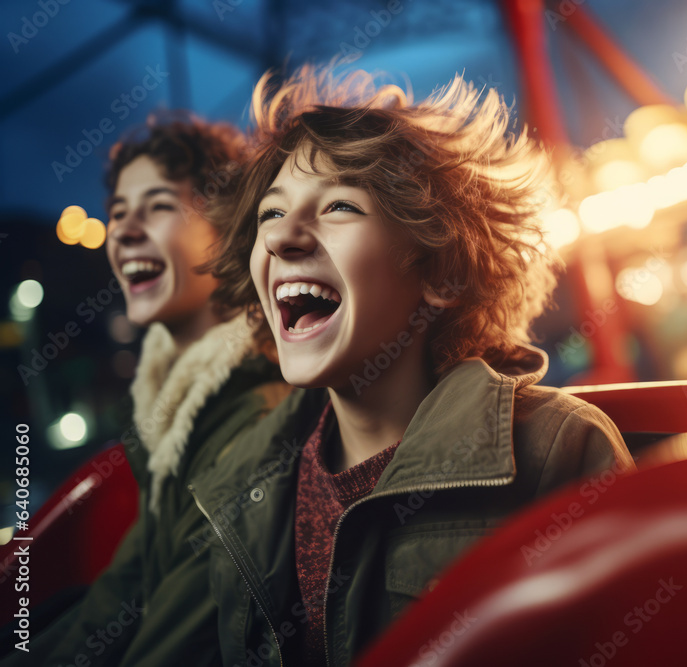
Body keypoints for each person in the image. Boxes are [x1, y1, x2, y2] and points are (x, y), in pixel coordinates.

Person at [198, 65, 636, 667]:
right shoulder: (239, 485)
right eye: (271, 214)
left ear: (442, 274)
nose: (281, 238)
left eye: (341, 206)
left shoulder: (559, 451)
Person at [5, 115, 290, 666]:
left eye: (158, 207)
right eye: (117, 214)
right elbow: (117, 600)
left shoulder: (255, 419)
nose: (125, 230)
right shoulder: (170, 412)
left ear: (226, 225)